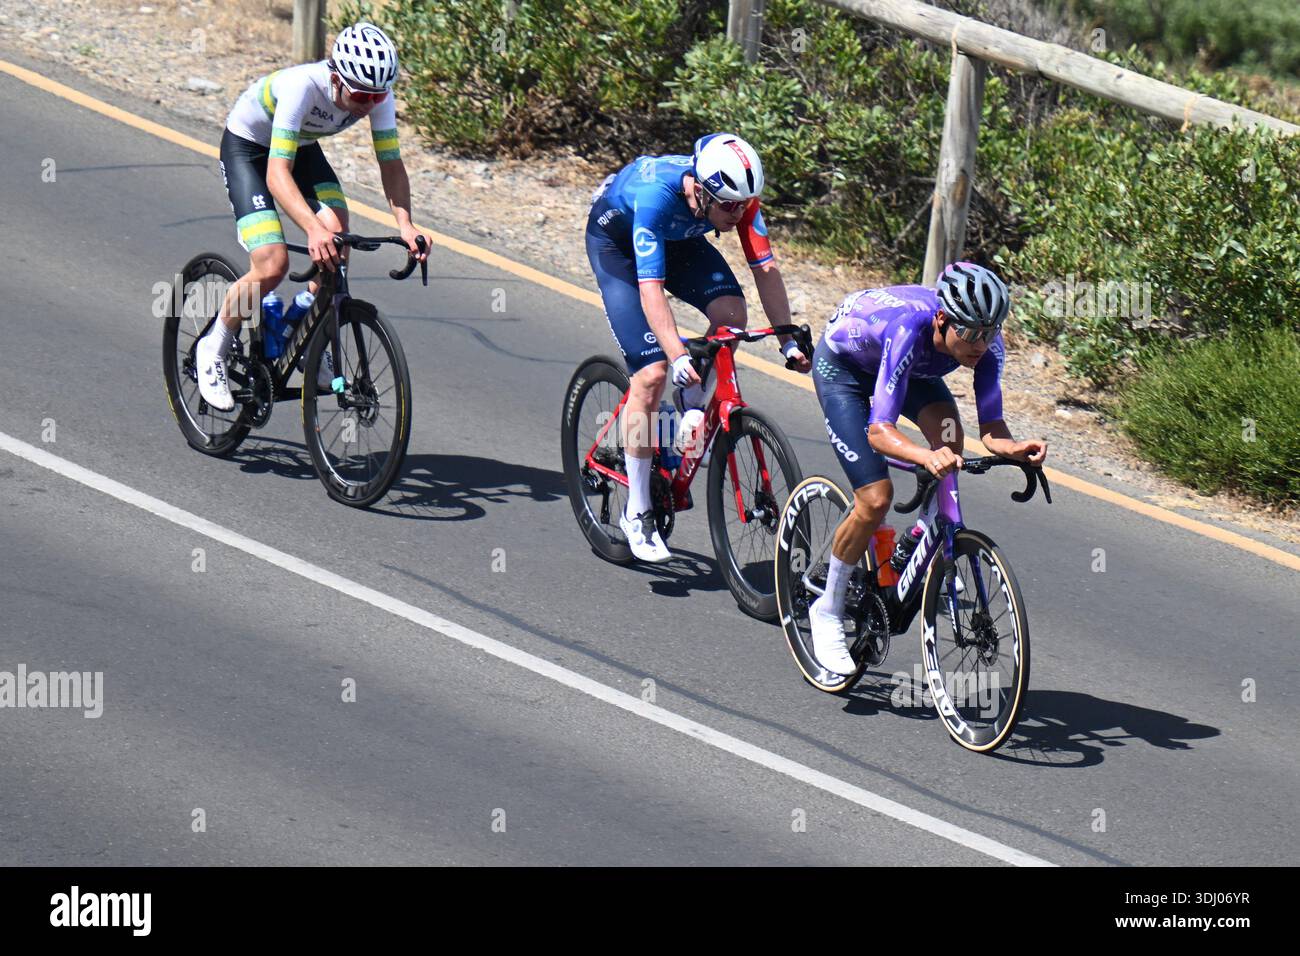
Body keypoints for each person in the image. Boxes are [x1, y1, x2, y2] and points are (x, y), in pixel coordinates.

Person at [808, 262, 1048, 674]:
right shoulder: (908, 328)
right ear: (942, 319)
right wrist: (923, 456)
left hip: (912, 370)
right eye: (970, 333)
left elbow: (990, 426)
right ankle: (827, 608)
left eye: (988, 333)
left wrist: (1012, 447)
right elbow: (879, 432)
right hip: (847, 370)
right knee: (875, 499)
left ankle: (923, 536)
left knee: (951, 441)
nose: (980, 344)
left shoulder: (987, 344)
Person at [585, 132, 812, 562]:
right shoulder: (655, 197)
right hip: (618, 246)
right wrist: (674, 354)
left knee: (731, 317)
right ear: (701, 190)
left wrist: (786, 339)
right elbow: (651, 290)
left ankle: (690, 401)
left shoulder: (735, 201)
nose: (739, 213)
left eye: (745, 204)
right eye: (729, 206)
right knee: (650, 376)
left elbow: (766, 271)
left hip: (678, 239)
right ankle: (637, 511)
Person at [196, 21, 427, 411]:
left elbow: (391, 164)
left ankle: (305, 334)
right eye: (360, 95)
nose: (369, 104)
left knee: (339, 241)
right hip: (249, 150)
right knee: (272, 265)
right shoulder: (303, 87)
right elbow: (275, 173)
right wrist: (312, 228)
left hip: (299, 148)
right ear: (336, 78)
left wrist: (405, 224)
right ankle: (214, 346)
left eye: (377, 96)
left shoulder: (377, 96)